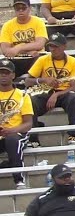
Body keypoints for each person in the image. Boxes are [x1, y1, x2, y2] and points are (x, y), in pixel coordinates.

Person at [25, 33, 75, 143]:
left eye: (56, 46)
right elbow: (28, 81)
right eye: (51, 46)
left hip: (64, 93)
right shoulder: (43, 60)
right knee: (30, 101)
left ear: (64, 46)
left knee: (74, 99)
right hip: (45, 92)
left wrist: (56, 95)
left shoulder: (73, 62)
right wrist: (43, 80)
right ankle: (33, 140)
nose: (53, 49)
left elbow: (74, 87)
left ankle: (73, 135)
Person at [0, 60, 32, 188]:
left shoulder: (23, 95)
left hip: (17, 134)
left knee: (12, 140)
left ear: (13, 75)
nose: (3, 75)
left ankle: (19, 180)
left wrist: (11, 130)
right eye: (1, 73)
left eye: (6, 73)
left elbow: (28, 124)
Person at [3, 0, 49, 77]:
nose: (20, 11)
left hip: (35, 58)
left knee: (41, 60)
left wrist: (18, 48)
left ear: (29, 8)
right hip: (16, 59)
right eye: (17, 8)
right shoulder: (7, 25)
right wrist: (28, 50)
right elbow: (5, 50)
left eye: (23, 8)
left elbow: (40, 44)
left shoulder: (38, 22)